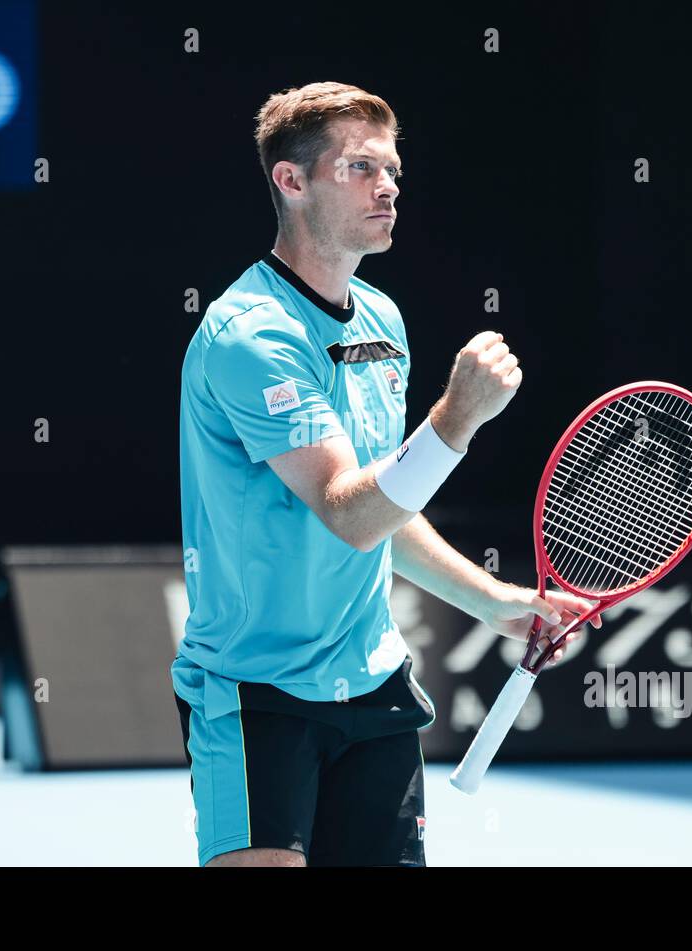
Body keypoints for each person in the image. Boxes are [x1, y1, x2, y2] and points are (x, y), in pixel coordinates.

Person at [174, 81, 599, 867]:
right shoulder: (250, 337)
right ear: (291, 181)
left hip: (373, 688)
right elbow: (351, 514)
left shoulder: (381, 319)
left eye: (393, 168)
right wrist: (457, 418)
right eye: (360, 167)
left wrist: (493, 599)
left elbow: (384, 505)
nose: (389, 185)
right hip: (256, 691)